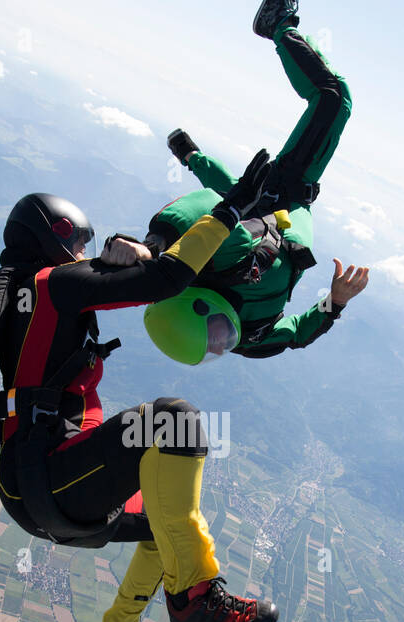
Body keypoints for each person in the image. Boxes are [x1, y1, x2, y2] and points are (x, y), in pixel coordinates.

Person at [0, 153, 283, 622]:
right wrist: (230, 212)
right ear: (56, 234)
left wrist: (132, 250)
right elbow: (166, 280)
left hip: (35, 488)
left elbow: (131, 275)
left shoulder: (17, 294)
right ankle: (194, 601)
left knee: (169, 519)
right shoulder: (55, 284)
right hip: (49, 482)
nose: (83, 254)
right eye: (78, 243)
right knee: (174, 418)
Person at [106, 0, 370, 364]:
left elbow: (196, 213)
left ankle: (279, 25)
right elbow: (297, 333)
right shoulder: (249, 338)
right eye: (217, 348)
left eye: (215, 337)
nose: (223, 342)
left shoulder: (210, 263)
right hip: (278, 212)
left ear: (197, 304)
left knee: (333, 98)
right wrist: (334, 302)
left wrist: (153, 247)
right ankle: (191, 156)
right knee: (239, 196)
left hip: (284, 193)